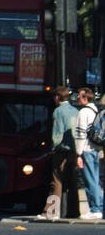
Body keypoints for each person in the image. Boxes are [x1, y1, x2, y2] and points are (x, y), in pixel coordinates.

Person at [37, 86, 78, 220]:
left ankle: (50, 212)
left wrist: (53, 148)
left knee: (56, 181)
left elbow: (57, 133)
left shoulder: (58, 112)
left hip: (61, 151)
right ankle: (74, 211)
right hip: (74, 150)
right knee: (72, 182)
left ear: (57, 97)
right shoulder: (75, 111)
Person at [73, 87, 102, 220]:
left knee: (90, 180)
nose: (77, 98)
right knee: (96, 179)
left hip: (86, 149)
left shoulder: (83, 112)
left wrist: (78, 153)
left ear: (85, 98)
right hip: (96, 148)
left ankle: (95, 209)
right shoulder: (96, 110)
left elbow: (80, 134)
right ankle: (100, 207)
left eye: (79, 96)